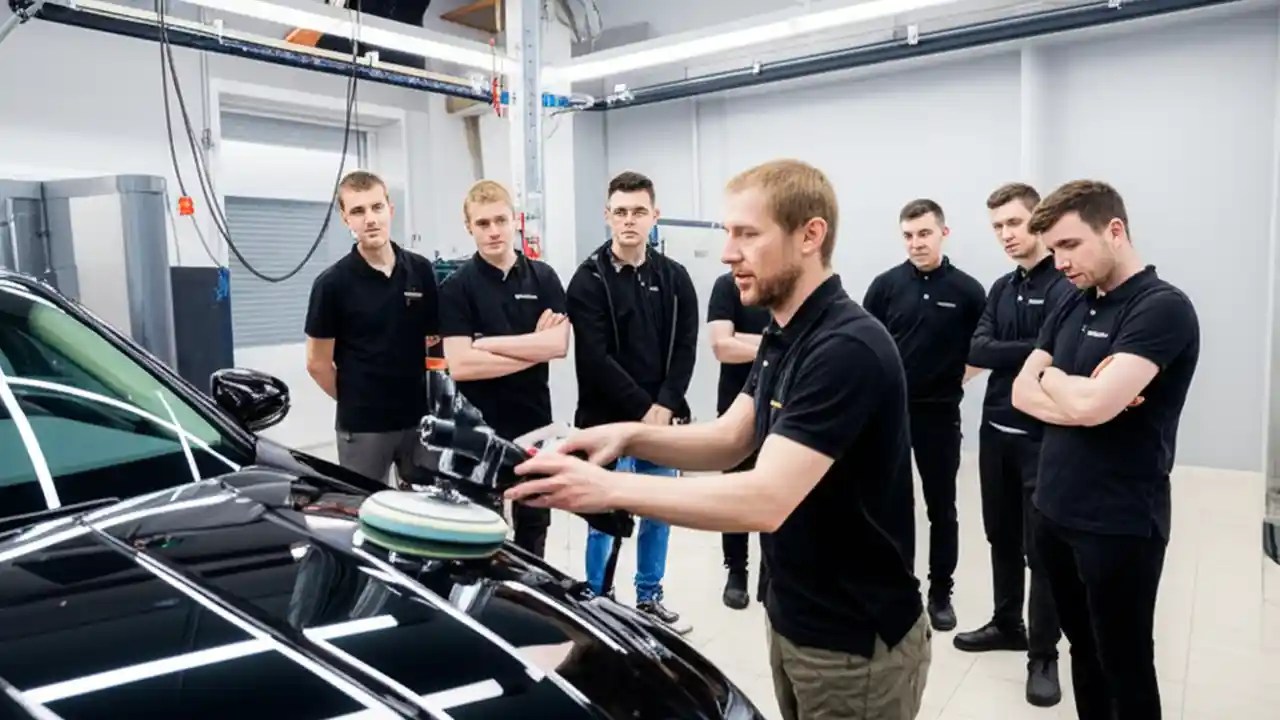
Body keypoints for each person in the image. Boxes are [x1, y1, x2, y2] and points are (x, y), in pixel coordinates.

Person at [510, 159, 931, 720]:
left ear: (810, 235)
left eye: (747, 234)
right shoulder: (786, 331)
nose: (728, 252)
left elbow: (764, 498)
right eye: (728, 233)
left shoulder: (845, 346)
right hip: (795, 615)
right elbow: (734, 436)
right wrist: (627, 436)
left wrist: (606, 489)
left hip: (854, 641)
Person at [1011, 180, 1199, 720]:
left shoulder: (1161, 309)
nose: (1061, 262)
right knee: (1084, 654)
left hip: (1118, 523)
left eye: (1070, 245)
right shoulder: (1071, 302)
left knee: (1126, 663)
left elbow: (1092, 405)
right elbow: (1024, 392)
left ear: (1114, 230)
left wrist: (1064, 386)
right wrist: (1076, 393)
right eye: (1053, 251)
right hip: (1053, 510)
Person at [564, 170, 699, 631]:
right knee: (603, 517)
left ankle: (649, 597)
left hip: (661, 424)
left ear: (654, 216)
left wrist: (664, 407)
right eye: (620, 212)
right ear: (607, 216)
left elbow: (685, 349)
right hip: (605, 424)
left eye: (638, 211)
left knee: (658, 514)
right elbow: (596, 359)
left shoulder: (676, 279)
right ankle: (598, 601)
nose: (629, 220)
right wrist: (647, 412)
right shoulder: (587, 280)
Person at [959, 182, 1069, 707]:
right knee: (999, 535)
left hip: (1043, 439)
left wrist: (1011, 353)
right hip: (995, 434)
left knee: (1040, 550)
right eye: (998, 226)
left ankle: (1043, 653)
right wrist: (1029, 351)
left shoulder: (1067, 288)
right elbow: (976, 347)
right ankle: (1007, 623)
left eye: (1014, 223)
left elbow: (1061, 355)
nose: (1005, 234)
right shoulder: (1001, 287)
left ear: (1040, 223)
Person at [863, 198, 986, 631]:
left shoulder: (969, 291)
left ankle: (940, 593)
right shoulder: (885, 286)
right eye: (909, 236)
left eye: (924, 234)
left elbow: (984, 347)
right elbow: (866, 345)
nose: (916, 243)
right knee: (889, 504)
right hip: (891, 415)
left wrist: (956, 379)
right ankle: (899, 588)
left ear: (943, 233)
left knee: (942, 507)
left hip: (939, 415)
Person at [437, 179, 570, 558]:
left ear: (516, 220)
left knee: (533, 533)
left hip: (534, 428)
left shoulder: (544, 278)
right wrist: (533, 347)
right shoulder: (456, 288)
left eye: (500, 220)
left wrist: (488, 344)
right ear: (469, 228)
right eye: (482, 223)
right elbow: (461, 366)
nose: (493, 231)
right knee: (478, 537)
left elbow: (558, 346)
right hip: (476, 432)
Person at [305, 169, 440, 485]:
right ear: (345, 219)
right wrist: (357, 398)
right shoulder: (331, 285)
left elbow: (433, 341)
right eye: (358, 211)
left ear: (390, 210)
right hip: (363, 428)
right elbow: (317, 364)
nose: (370, 219)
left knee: (429, 517)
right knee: (367, 517)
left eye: (376, 207)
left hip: (420, 423)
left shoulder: (420, 270)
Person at [707, 269, 770, 610]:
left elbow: (809, 340)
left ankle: (771, 572)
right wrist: (776, 342)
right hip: (735, 404)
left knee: (775, 488)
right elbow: (722, 346)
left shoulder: (783, 285)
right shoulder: (726, 285)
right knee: (733, 492)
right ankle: (736, 571)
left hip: (782, 404)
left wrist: (743, 340)